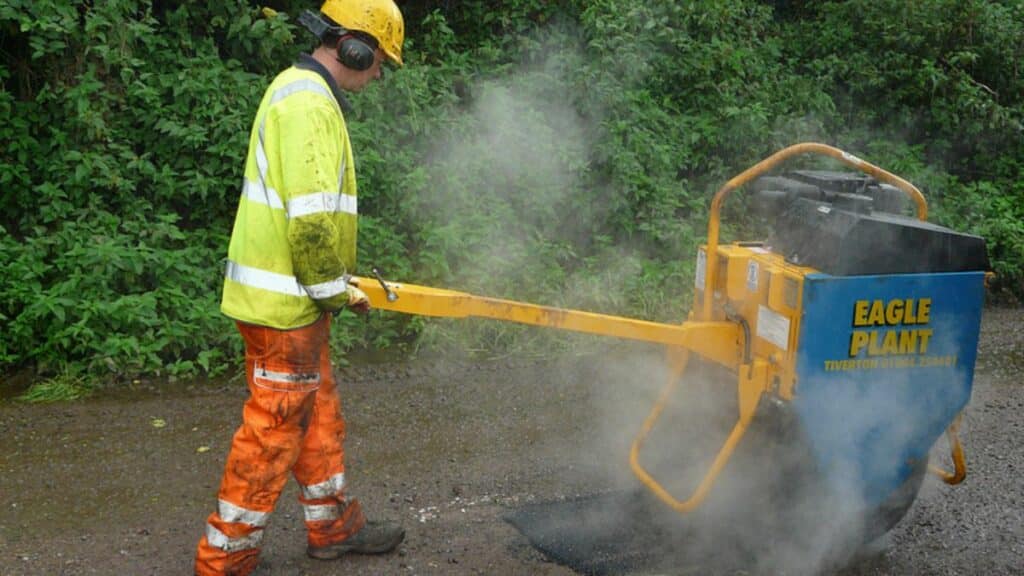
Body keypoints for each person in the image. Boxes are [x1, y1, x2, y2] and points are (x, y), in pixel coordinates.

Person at [194, 1, 405, 574]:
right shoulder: (310, 104)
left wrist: (332, 289)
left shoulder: (298, 92)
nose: (379, 72)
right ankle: (224, 560)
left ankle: (331, 525)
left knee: (316, 415)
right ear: (354, 48)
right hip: (285, 305)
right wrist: (336, 289)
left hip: (297, 303)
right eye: (379, 59)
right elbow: (311, 222)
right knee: (273, 431)